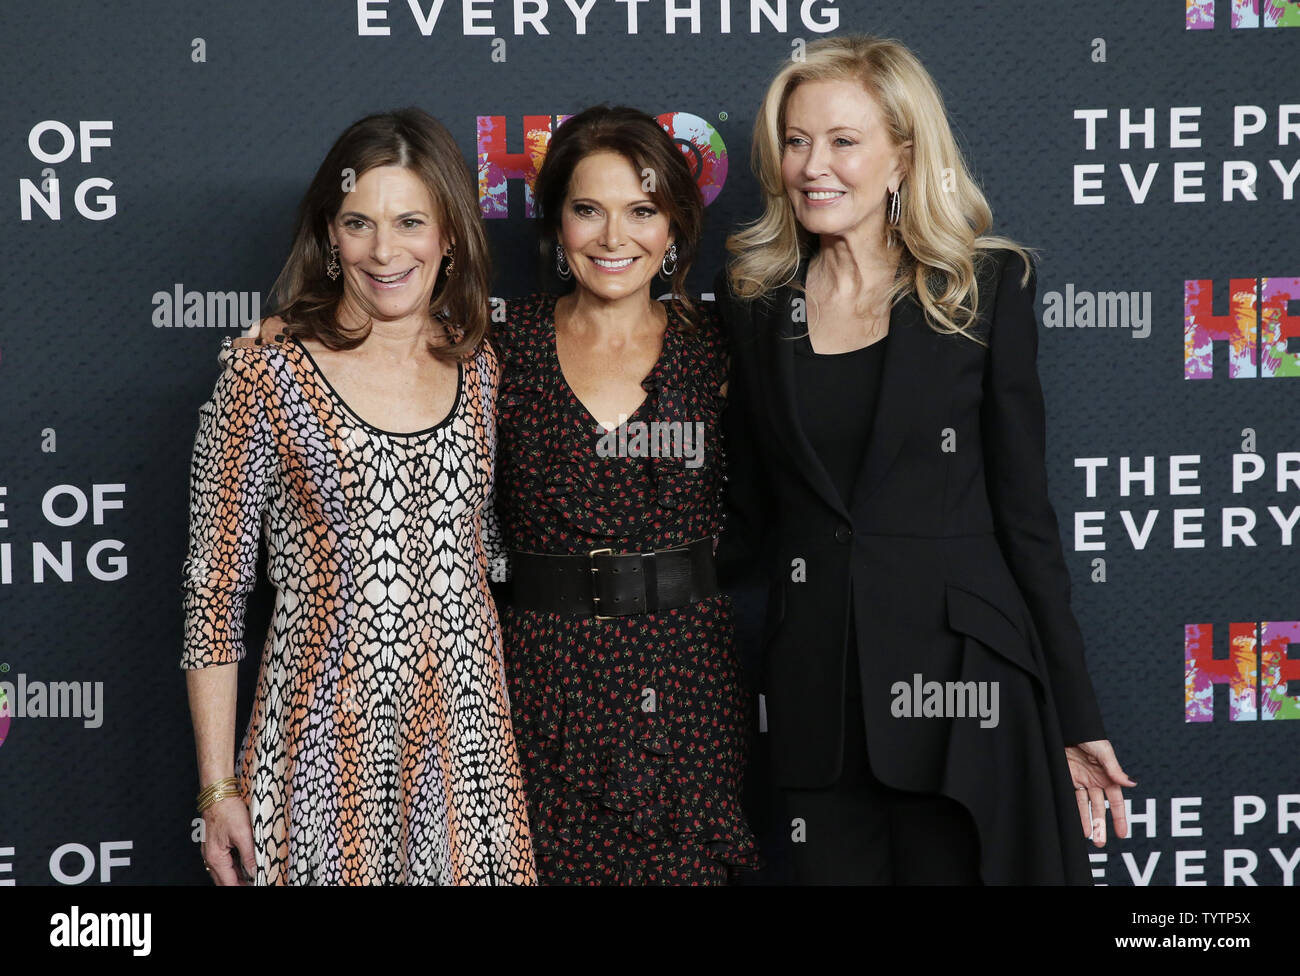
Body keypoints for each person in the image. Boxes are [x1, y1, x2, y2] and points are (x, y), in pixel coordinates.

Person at [715, 36, 1134, 884]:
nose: (813, 166)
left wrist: (1072, 716)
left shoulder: (982, 289)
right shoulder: (760, 309)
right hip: (815, 707)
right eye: (795, 141)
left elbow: (1025, 518)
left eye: (843, 141)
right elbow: (752, 523)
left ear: (903, 155)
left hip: (967, 697)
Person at [180, 108, 535, 885]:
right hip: (317, 754)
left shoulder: (482, 369)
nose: (385, 250)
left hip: (465, 758)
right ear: (329, 235)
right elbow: (214, 591)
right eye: (358, 223)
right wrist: (218, 789)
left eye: (411, 221)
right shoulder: (263, 372)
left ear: (449, 235)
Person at [491, 105, 760, 884]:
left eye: (641, 211)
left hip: (685, 678)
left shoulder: (720, 345)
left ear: (674, 223)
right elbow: (377, 355)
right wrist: (288, 330)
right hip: (542, 679)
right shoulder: (498, 343)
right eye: (588, 210)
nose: (614, 238)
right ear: (555, 226)